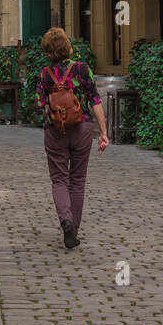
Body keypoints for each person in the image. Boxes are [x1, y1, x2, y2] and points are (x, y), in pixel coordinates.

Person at [34, 27, 108, 248]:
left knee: (59, 179)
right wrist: (103, 132)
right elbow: (95, 100)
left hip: (55, 131)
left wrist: (53, 111)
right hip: (82, 129)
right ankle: (73, 232)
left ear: (48, 52)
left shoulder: (44, 74)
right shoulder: (83, 70)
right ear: (68, 46)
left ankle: (65, 219)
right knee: (77, 181)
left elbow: (38, 106)